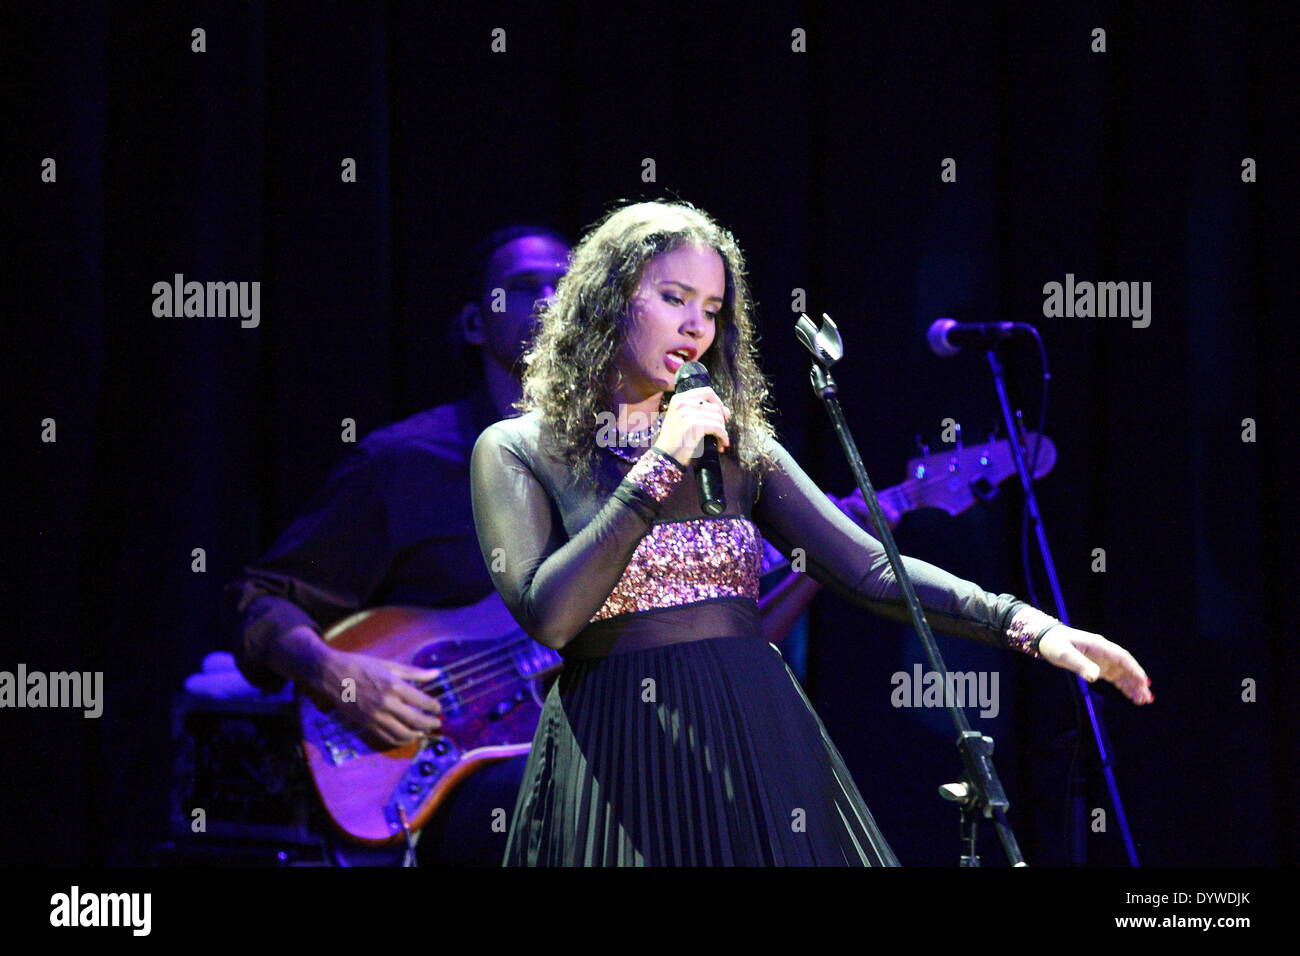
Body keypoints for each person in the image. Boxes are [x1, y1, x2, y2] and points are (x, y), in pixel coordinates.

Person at [469, 200, 1154, 866]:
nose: (695, 328)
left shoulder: (739, 446)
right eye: (674, 298)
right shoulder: (518, 449)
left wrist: (1032, 627)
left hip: (753, 741)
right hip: (614, 752)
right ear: (610, 299)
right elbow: (552, 617)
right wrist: (658, 466)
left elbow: (873, 571)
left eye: (711, 310)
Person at [224, 224, 571, 865]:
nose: (552, 300)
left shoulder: (626, 470)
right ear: (474, 324)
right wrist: (337, 673)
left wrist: (809, 560)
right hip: (461, 783)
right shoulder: (404, 463)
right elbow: (260, 599)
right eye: (524, 287)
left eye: (567, 285)